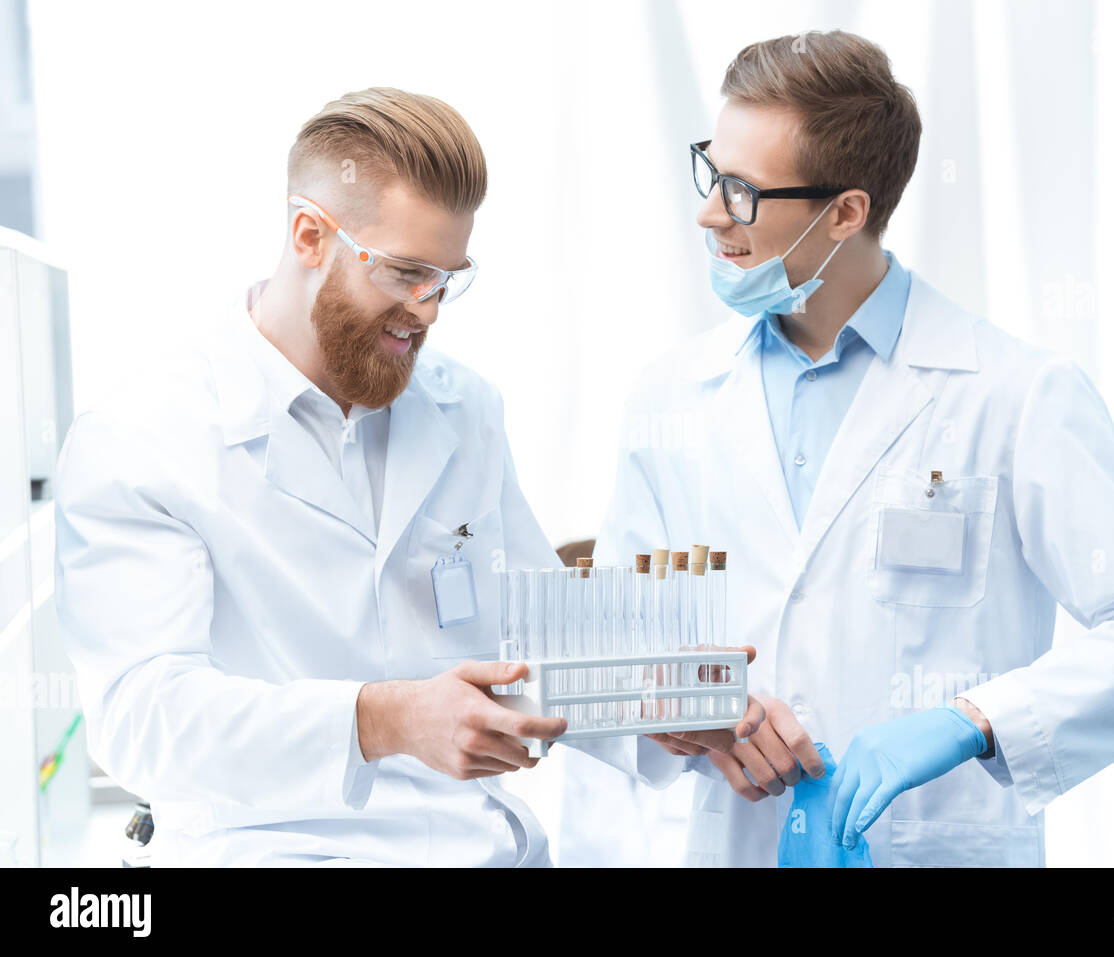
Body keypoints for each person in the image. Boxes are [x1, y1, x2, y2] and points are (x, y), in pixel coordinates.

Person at [566, 30, 1114, 867]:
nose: (709, 213)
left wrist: (973, 720)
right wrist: (681, 710)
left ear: (846, 213)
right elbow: (607, 660)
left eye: (743, 193)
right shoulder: (671, 398)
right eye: (712, 173)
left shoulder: (1015, 394)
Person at [53, 87, 758, 866]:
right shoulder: (145, 437)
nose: (427, 311)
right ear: (310, 235)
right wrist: (383, 719)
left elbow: (530, 640)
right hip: (275, 849)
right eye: (405, 273)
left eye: (447, 278)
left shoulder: (464, 409)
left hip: (483, 846)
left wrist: (648, 702)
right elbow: (142, 716)